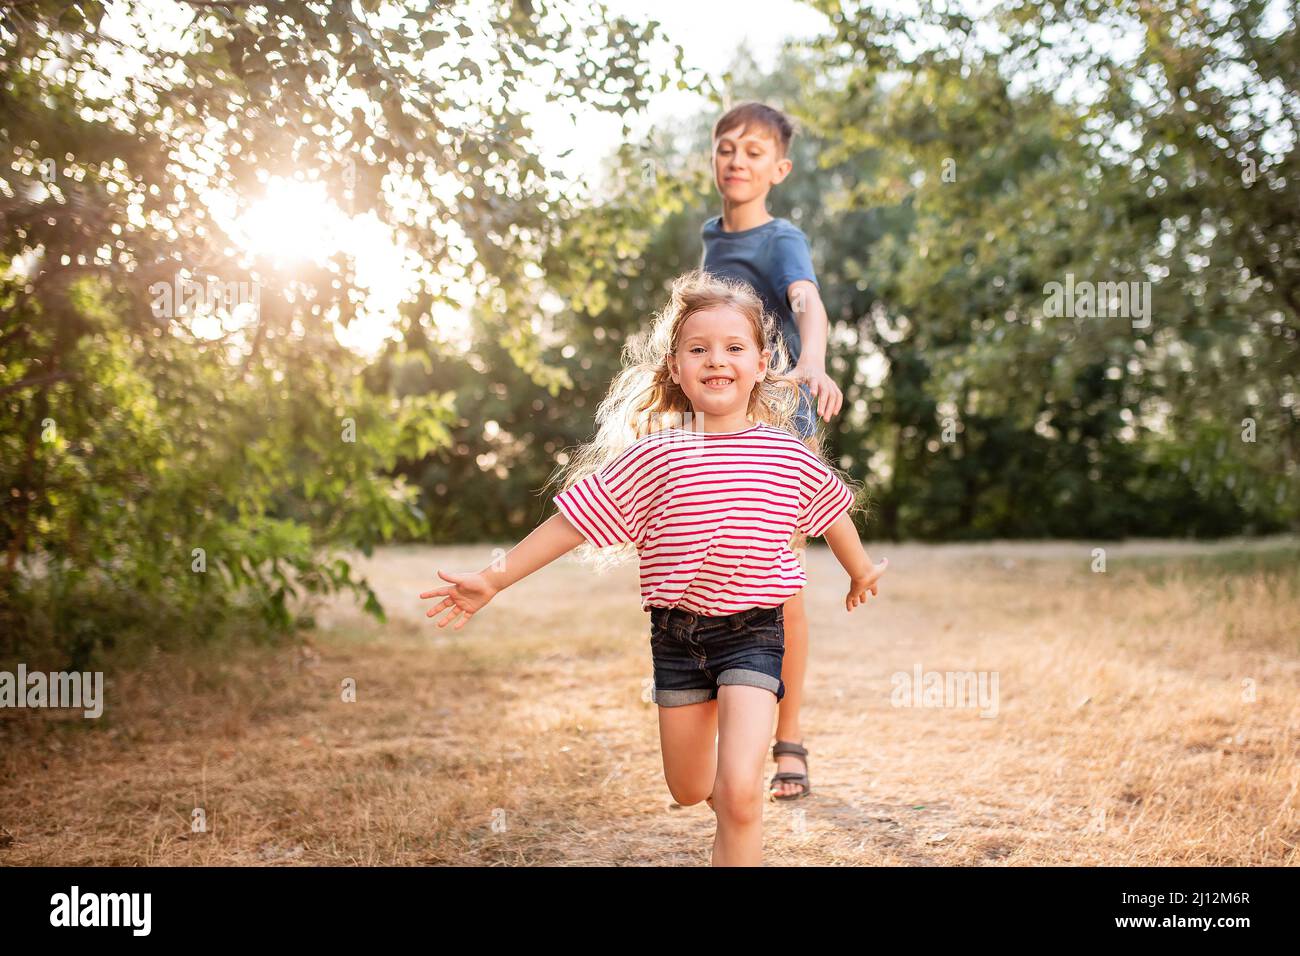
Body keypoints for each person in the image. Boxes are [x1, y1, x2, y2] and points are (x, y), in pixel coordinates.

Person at [419, 271, 887, 866]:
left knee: (742, 798)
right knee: (691, 788)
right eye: (699, 349)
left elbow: (832, 510)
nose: (717, 361)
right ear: (674, 366)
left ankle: (739, 816)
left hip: (756, 635)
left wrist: (860, 570)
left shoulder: (785, 451)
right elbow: (573, 522)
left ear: (763, 362)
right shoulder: (657, 454)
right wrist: (495, 576)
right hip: (678, 638)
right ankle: (723, 796)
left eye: (734, 347)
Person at [701, 101, 842, 798]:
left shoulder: (782, 237)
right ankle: (728, 719)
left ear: (778, 169)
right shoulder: (710, 239)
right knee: (714, 575)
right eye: (726, 147)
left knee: (778, 586)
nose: (737, 160)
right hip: (721, 423)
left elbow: (806, 299)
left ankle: (789, 740)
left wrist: (812, 360)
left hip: (782, 416)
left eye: (754, 151)